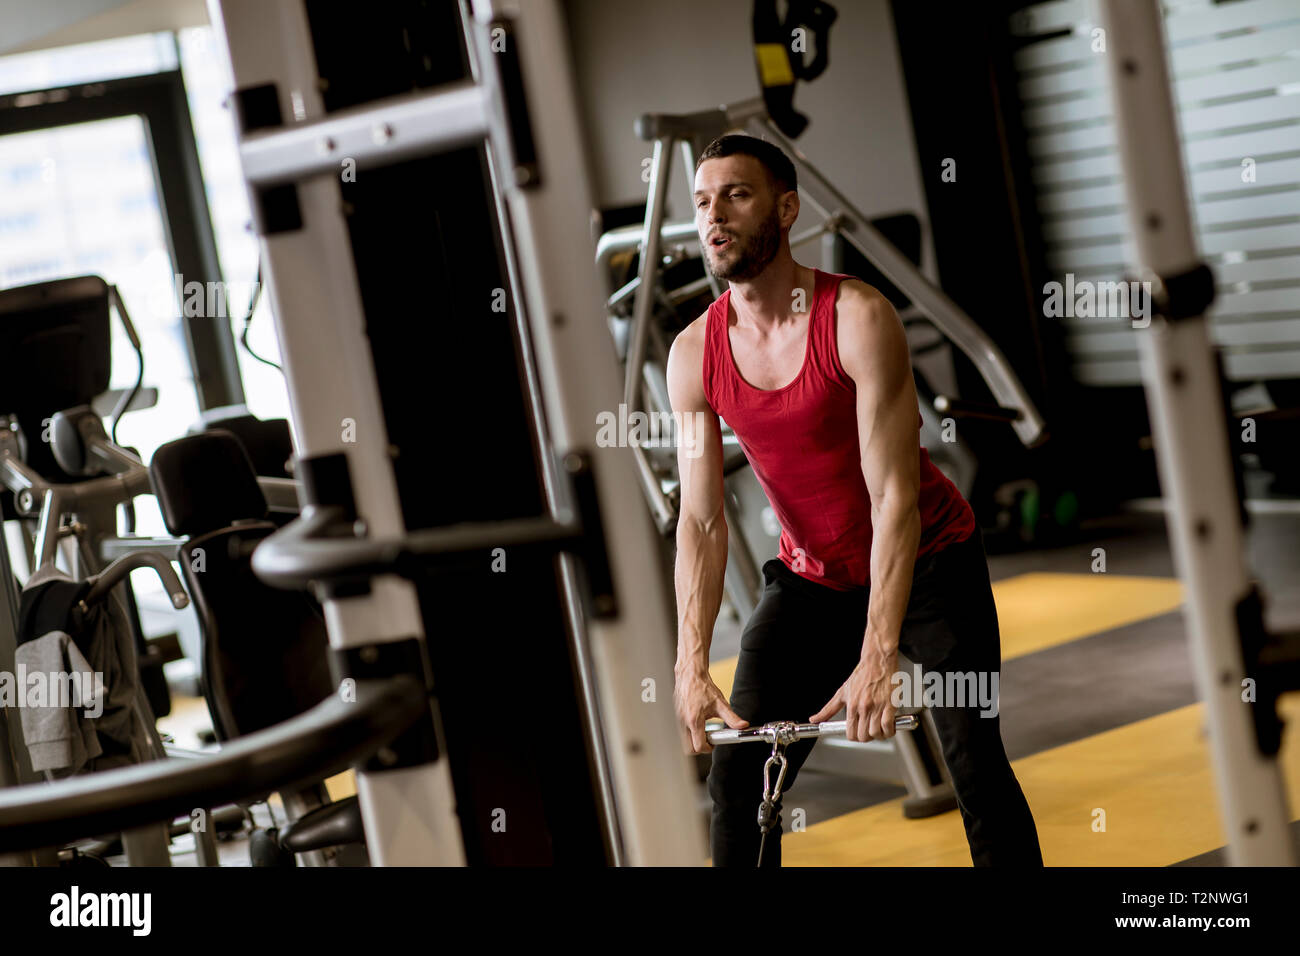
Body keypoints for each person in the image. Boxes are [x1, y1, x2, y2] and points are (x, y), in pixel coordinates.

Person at [667, 133, 1043, 867]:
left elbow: (896, 496)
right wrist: (687, 666)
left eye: (736, 195)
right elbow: (703, 520)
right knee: (738, 779)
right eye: (704, 201)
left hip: (933, 562)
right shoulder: (693, 354)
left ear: (786, 207)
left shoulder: (857, 318)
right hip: (813, 582)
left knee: (972, 757)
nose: (715, 215)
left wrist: (878, 656)